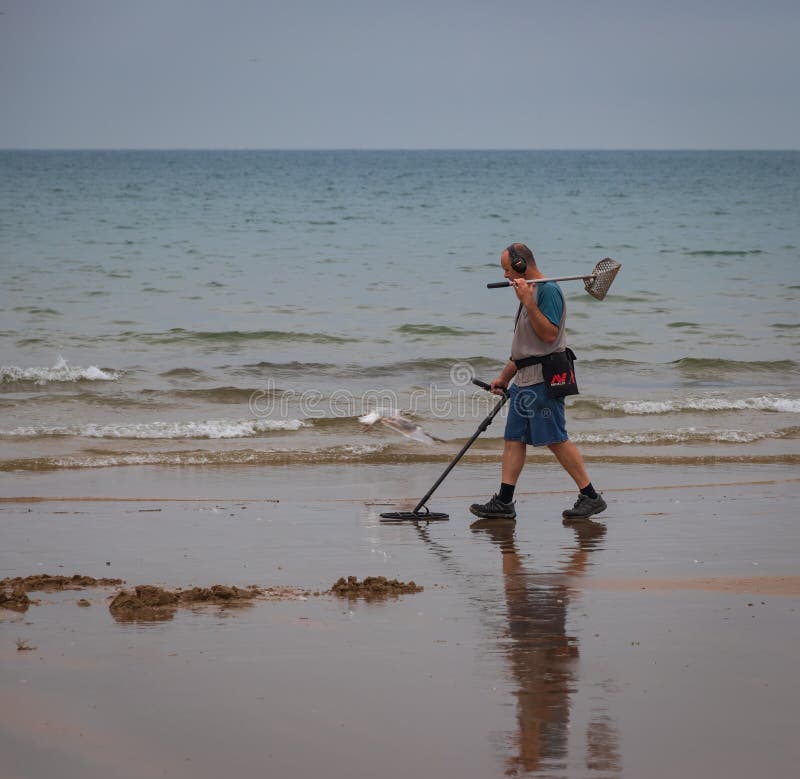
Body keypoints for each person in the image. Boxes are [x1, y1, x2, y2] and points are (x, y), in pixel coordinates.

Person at [469, 243, 607, 521]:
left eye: (508, 269)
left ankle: (591, 496)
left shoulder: (548, 291)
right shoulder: (528, 292)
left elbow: (548, 335)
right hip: (524, 379)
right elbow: (525, 346)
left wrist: (529, 303)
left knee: (555, 439)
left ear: (521, 264)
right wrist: (505, 377)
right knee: (514, 439)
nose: (506, 275)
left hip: (544, 380)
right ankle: (505, 502)